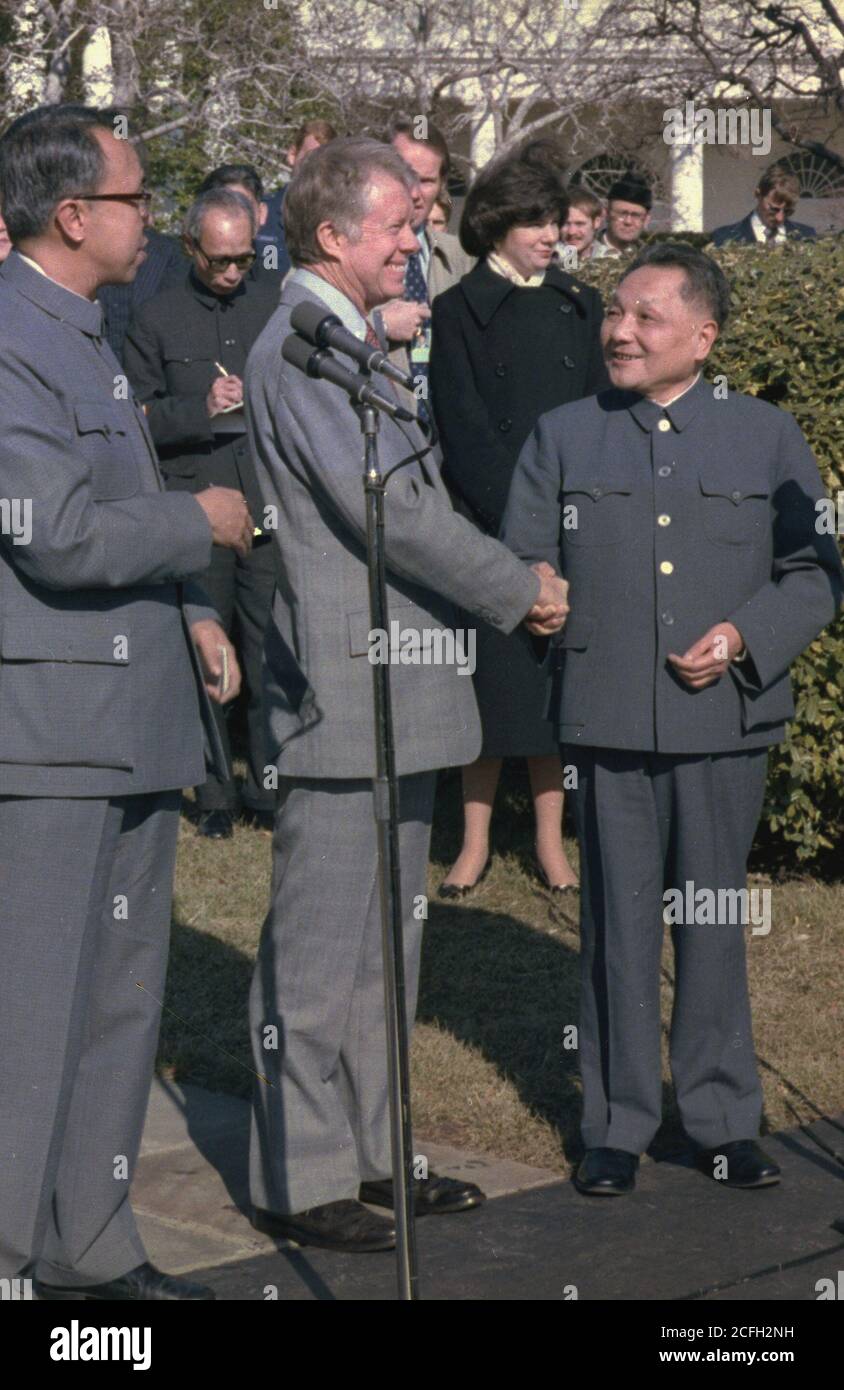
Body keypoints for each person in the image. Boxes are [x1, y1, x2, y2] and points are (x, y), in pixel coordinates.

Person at [243, 136, 568, 1252]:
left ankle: (378, 1155)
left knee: (390, 952)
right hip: (345, 689)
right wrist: (517, 585)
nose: (413, 242)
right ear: (333, 235)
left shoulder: (340, 335)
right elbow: (391, 507)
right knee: (322, 955)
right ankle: (304, 1173)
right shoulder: (298, 344)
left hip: (399, 684)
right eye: (395, 225)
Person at [500, 242, 843, 1197]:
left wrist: (741, 634)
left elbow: (813, 574)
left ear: (705, 334)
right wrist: (533, 585)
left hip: (724, 720)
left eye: (647, 317)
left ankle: (723, 1119)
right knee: (616, 924)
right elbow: (519, 551)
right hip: (606, 717)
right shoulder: (565, 433)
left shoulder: (767, 435)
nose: (620, 330)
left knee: (713, 921)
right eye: (616, 312)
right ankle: (615, 1122)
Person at [0, 103, 251, 1300]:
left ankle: (88, 1247)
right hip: (52, 736)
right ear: (71, 213)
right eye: (136, 196)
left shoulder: (85, 329)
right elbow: (51, 531)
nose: (150, 215)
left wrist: (194, 605)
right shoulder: (9, 332)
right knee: (31, 1016)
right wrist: (199, 522)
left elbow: (109, 494)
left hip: (130, 719)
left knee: (115, 1008)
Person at [430, 146, 608, 896]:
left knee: (554, 696)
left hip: (571, 527)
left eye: (555, 220)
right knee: (492, 692)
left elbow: (602, 416)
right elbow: (464, 431)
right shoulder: (456, 312)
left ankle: (549, 841)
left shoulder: (581, 303)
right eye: (537, 220)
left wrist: (566, 528)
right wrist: (523, 543)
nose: (553, 233)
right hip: (493, 527)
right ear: (499, 223)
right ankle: (472, 843)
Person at [124, 188, 280, 837]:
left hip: (267, 503)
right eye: (220, 260)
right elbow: (134, 420)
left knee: (271, 651)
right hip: (198, 503)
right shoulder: (154, 318)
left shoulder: (274, 306)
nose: (232, 273)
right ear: (191, 247)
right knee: (209, 655)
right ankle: (215, 792)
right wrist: (200, 409)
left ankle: (269, 789)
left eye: (243, 259)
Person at [382, 116, 474, 410]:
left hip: (445, 434)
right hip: (378, 429)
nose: (415, 193)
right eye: (405, 176)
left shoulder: (464, 257)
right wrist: (378, 325)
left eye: (426, 181)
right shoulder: (343, 251)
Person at [261, 119, 339, 274]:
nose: (316, 167)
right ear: (292, 155)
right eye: (310, 157)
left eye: (326, 161)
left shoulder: (339, 222)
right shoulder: (263, 213)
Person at [196, 162, 282, 281]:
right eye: (226, 205)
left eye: (246, 206)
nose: (237, 217)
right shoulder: (181, 263)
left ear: (261, 214)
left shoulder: (270, 254)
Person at [710, 166, 817, 246]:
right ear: (758, 194)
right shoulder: (724, 238)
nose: (780, 218)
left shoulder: (807, 236)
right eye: (774, 209)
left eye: (787, 211)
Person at [596, 177, 652, 256]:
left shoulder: (653, 259)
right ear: (606, 213)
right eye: (622, 213)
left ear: (646, 220)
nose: (628, 221)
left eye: (636, 215)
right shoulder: (579, 250)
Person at [559, 186, 611, 264]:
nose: (571, 232)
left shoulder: (610, 260)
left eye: (579, 224)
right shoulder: (548, 260)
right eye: (566, 224)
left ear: (597, 222)